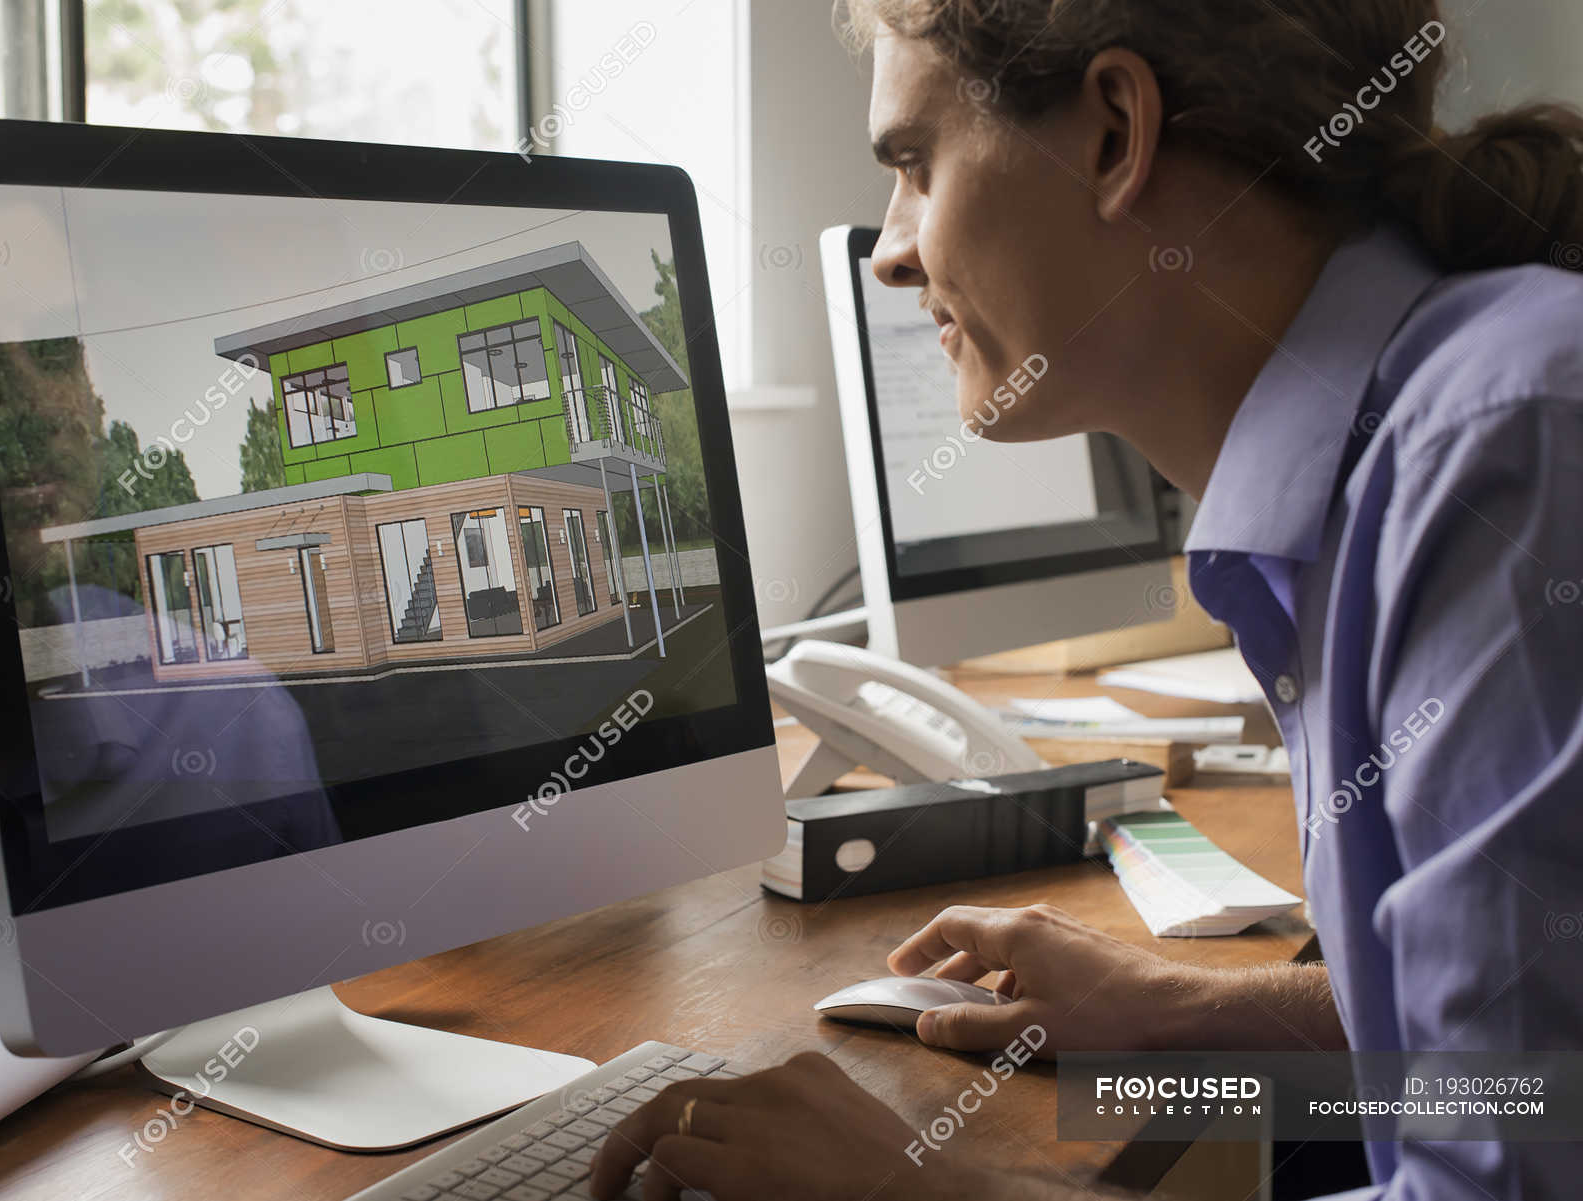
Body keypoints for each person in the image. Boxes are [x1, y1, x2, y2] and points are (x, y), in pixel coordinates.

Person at [588, 1, 1583, 1198]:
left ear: (1116, 133)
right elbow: (1511, 1078)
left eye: (915, 163)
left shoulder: (1502, 450)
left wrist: (930, 1190)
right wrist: (1179, 1014)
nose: (891, 248)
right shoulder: (1423, 442)